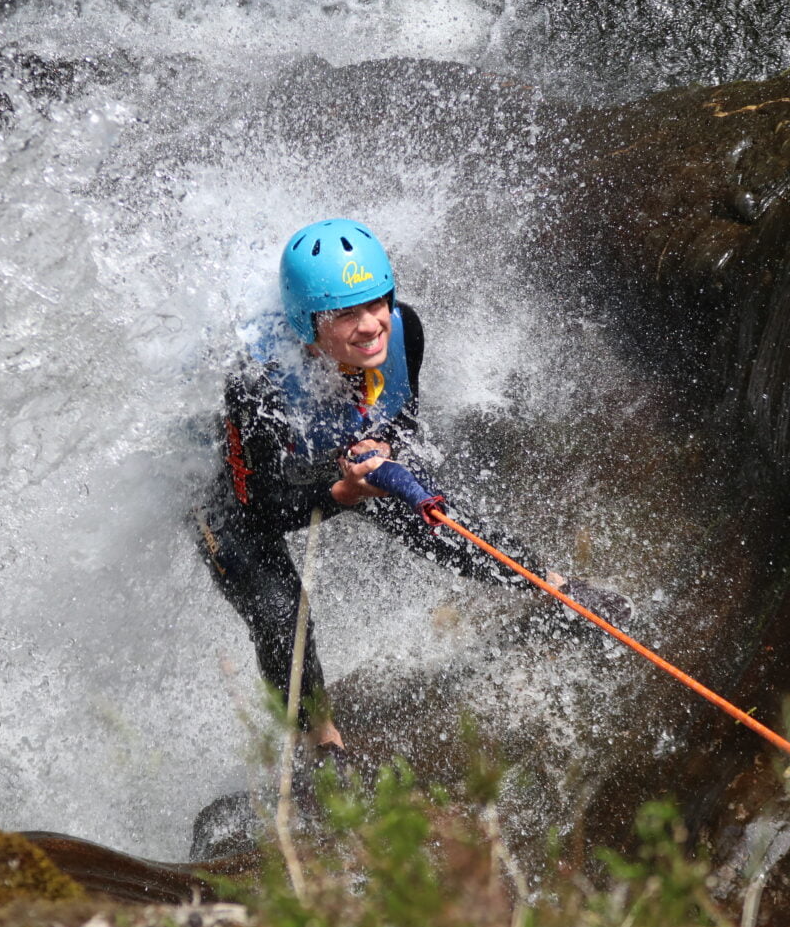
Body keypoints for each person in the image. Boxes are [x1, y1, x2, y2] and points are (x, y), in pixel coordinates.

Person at [194, 219, 629, 752]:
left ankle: (555, 589)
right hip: (236, 492)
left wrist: (384, 451)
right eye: (346, 313)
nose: (371, 325)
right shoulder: (256, 383)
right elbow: (260, 508)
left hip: (330, 459)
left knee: (431, 513)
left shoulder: (405, 329)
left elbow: (401, 417)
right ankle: (319, 743)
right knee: (283, 614)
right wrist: (343, 492)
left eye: (376, 302)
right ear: (307, 325)